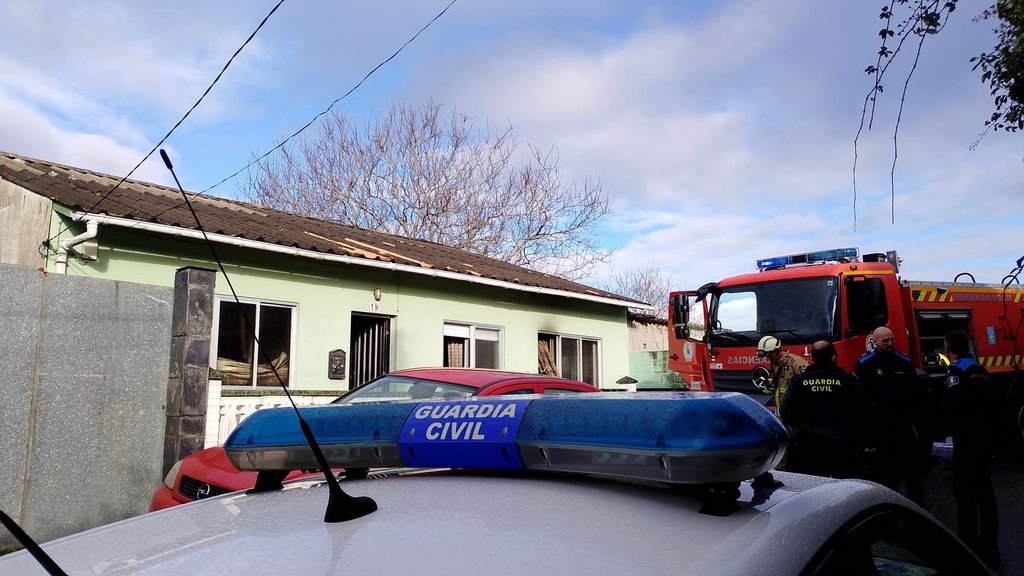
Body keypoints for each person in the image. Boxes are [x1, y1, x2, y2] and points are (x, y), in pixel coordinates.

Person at [942, 331, 999, 564]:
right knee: (985, 494)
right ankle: (990, 544)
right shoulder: (980, 370)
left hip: (966, 443)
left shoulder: (955, 370)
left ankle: (967, 544)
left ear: (948, 348)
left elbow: (953, 403)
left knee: (964, 494)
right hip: (984, 441)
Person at [853, 326, 926, 504]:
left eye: (892, 339)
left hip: (903, 425)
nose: (890, 343)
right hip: (881, 427)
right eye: (885, 340)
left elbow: (915, 393)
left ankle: (917, 507)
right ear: (875, 342)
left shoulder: (904, 362)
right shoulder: (865, 364)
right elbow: (860, 397)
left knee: (912, 472)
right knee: (886, 472)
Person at [780, 341, 870, 479]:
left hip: (808, 446)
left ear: (813, 358)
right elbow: (862, 412)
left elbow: (785, 412)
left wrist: (802, 426)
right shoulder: (848, 381)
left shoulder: (798, 382)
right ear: (833, 357)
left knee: (812, 491)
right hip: (842, 448)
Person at [756, 335, 808, 414]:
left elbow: (807, 387)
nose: (768, 359)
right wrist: (769, 384)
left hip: (796, 414)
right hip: (782, 412)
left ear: (776, 350)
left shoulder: (796, 362)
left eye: (769, 355)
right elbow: (782, 385)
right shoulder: (776, 363)